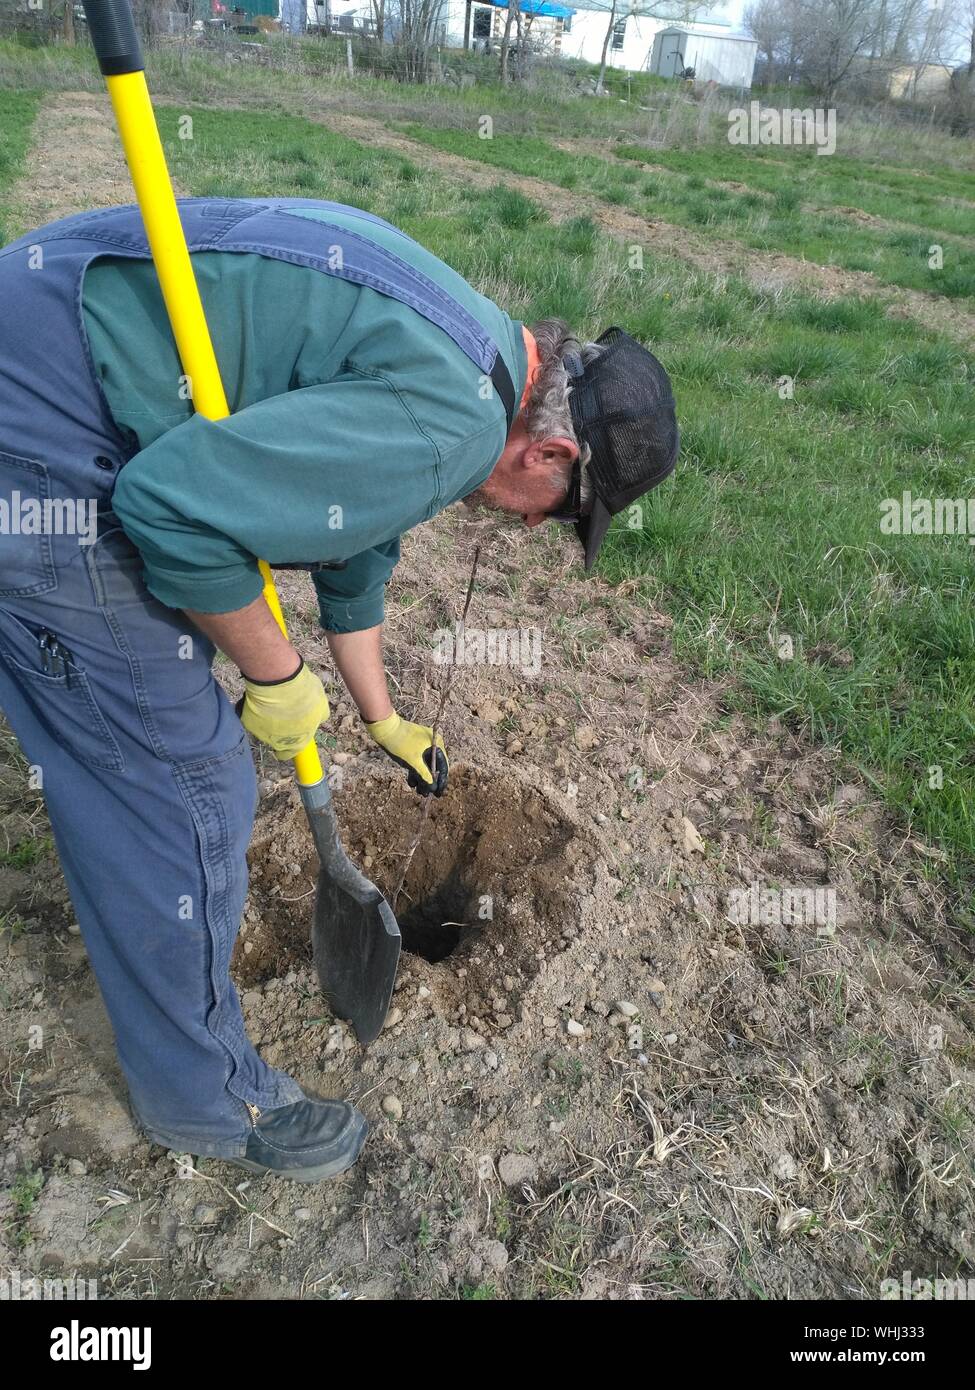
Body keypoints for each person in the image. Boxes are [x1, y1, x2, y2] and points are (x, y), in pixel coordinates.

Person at [0, 197, 678, 1181]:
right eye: (561, 514)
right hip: (47, 429)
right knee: (187, 778)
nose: (538, 531)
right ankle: (202, 1097)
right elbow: (169, 511)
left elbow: (353, 521)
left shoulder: (481, 349)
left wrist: (381, 712)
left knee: (139, 731)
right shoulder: (455, 427)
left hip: (47, 316)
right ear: (552, 454)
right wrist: (276, 675)